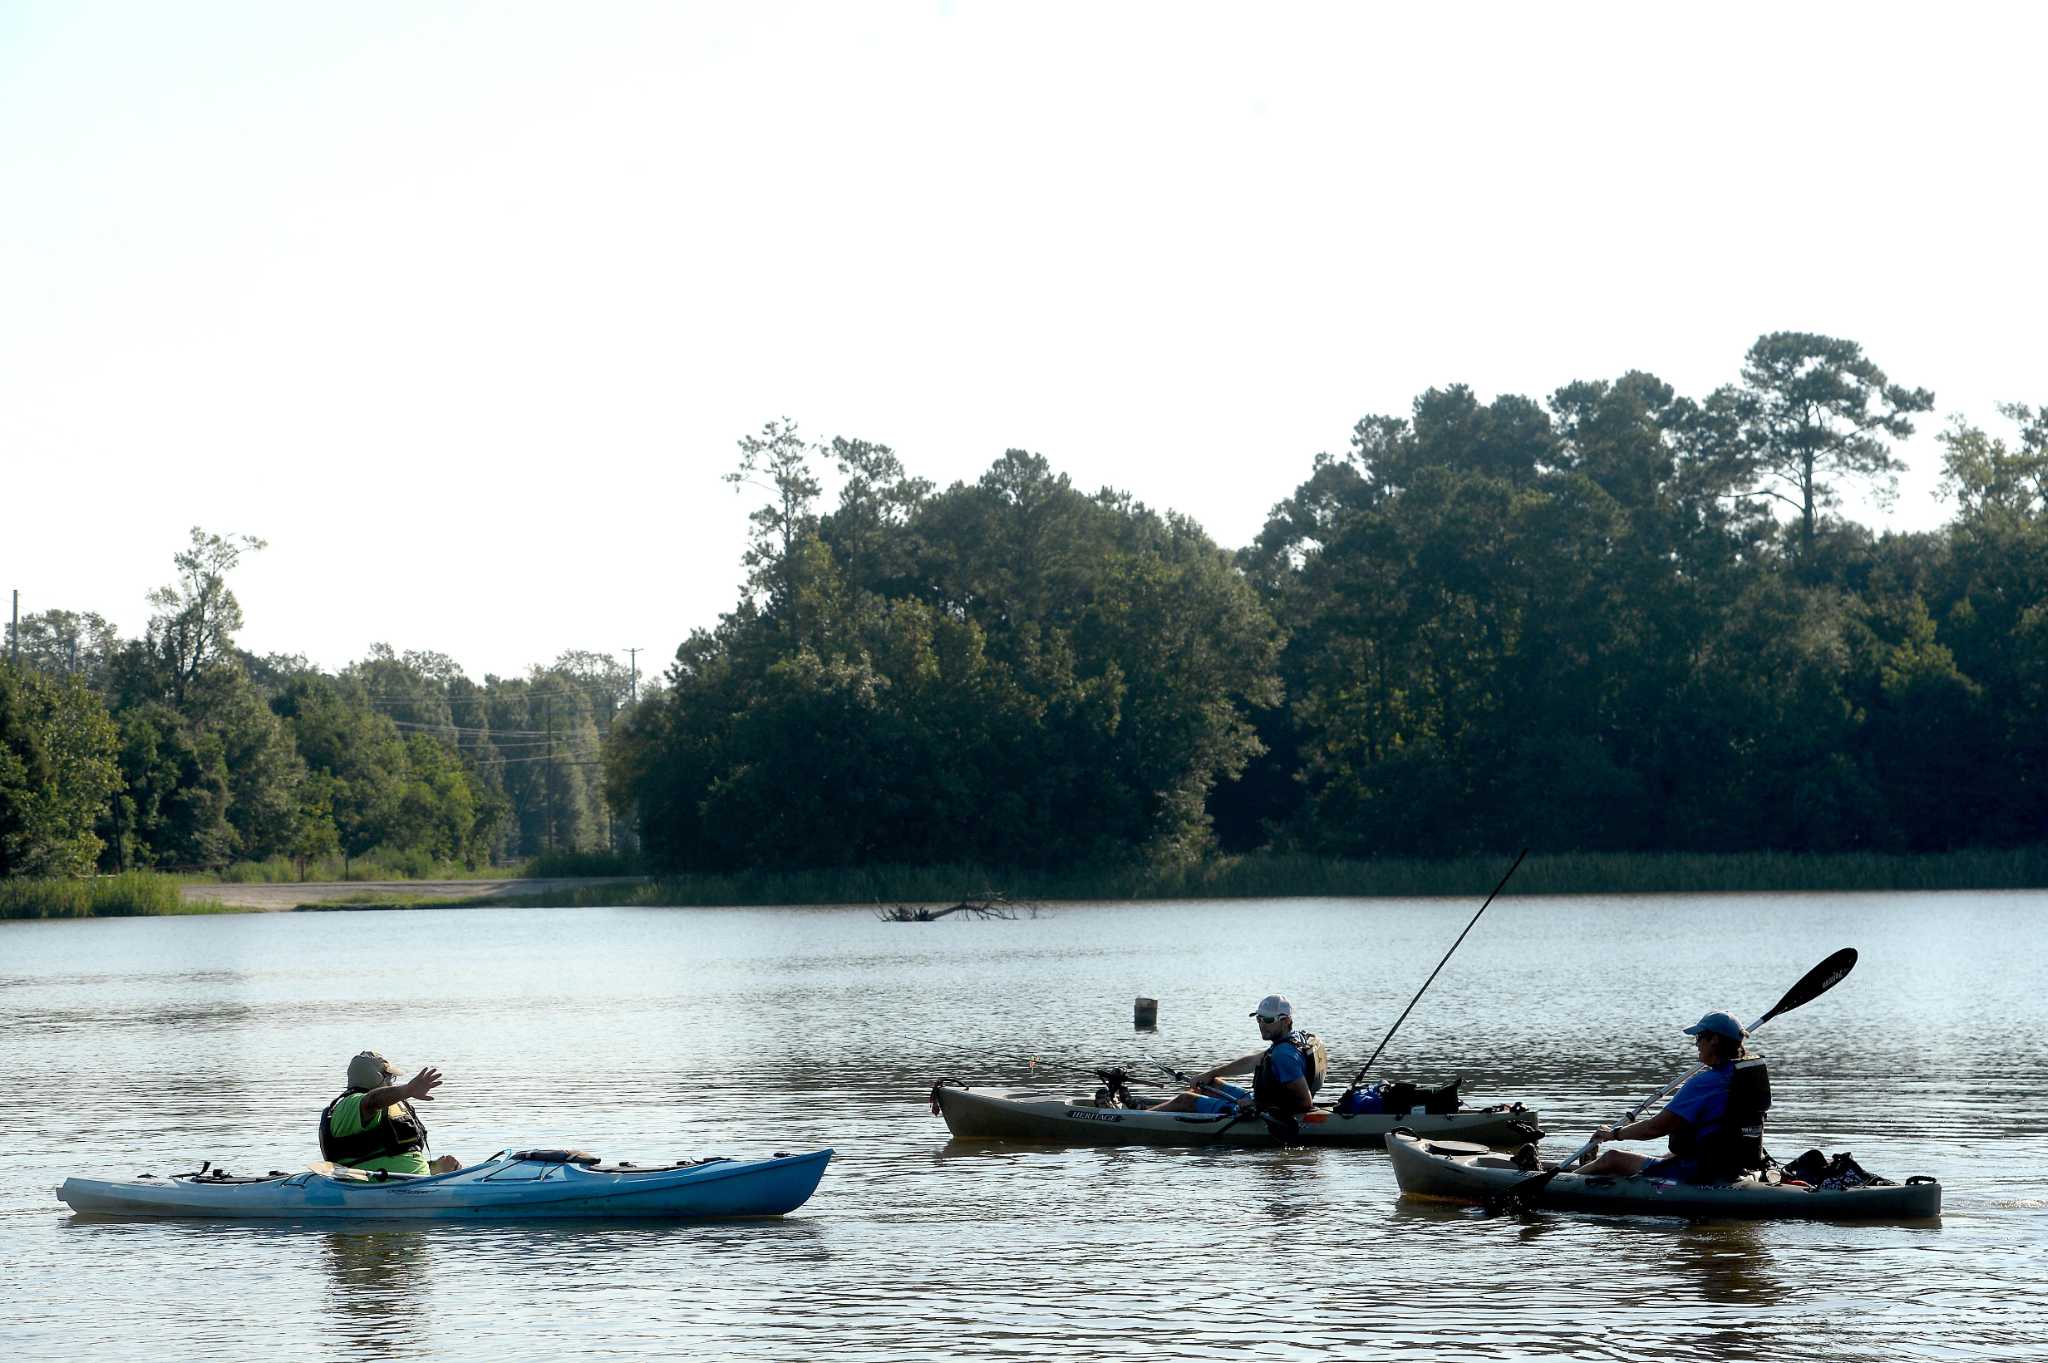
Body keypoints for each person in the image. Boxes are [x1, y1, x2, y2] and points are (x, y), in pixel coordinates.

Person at [1576, 1010, 1766, 1182]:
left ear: (1714, 1040)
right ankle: (1584, 1170)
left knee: (1613, 1158)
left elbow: (1655, 1128)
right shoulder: (1742, 1077)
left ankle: (1560, 1182)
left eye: (1700, 1037)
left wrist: (1614, 1134)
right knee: (1668, 1156)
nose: (1697, 1043)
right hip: (1733, 1166)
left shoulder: (1705, 1082)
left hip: (1700, 1172)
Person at [1148, 994, 1327, 1117]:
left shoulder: (1284, 1056)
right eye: (1259, 1018)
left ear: (1286, 1020)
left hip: (1265, 1111)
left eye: (1268, 1020)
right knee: (1208, 1084)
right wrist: (1210, 1074)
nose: (1262, 1025)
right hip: (1264, 1101)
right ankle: (1154, 1112)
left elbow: (1305, 1104)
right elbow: (1250, 1062)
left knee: (1185, 1100)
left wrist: (1257, 1106)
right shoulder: (1295, 1039)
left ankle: (1134, 1119)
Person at [319, 1051, 463, 1176]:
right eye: (390, 1077)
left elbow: (390, 1158)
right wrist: (407, 1090)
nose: (392, 1082)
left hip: (412, 1184)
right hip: (380, 1190)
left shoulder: (384, 1105)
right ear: (376, 1077)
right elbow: (371, 1101)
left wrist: (436, 1168)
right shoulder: (350, 1104)